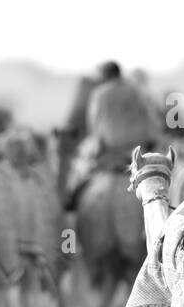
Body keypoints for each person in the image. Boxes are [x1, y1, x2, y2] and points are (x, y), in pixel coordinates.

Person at [64, 61, 157, 209]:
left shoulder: (99, 93)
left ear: (105, 75)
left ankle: (70, 201)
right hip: (137, 155)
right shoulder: (136, 91)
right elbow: (151, 122)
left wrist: (95, 150)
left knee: (79, 172)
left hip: (109, 154)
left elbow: (95, 126)